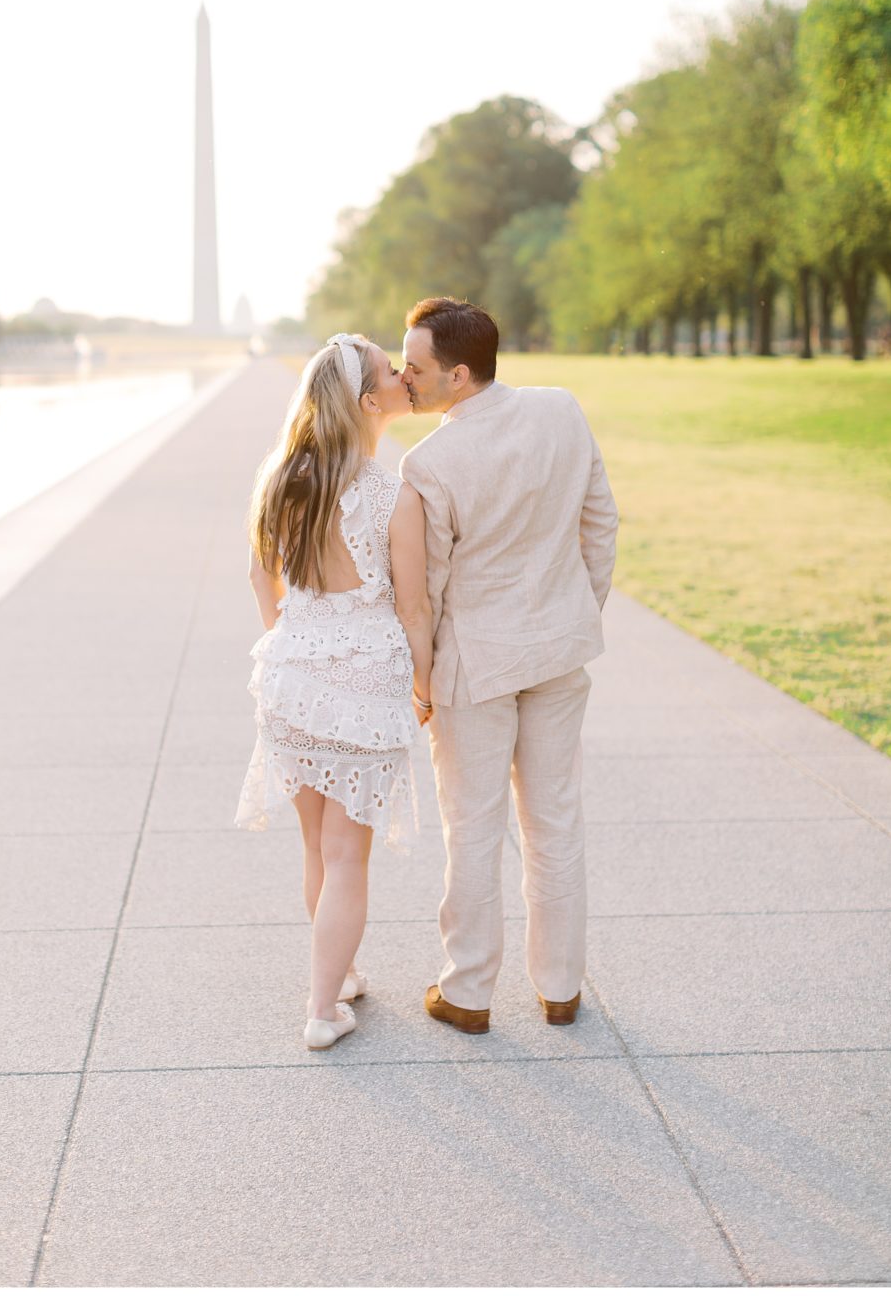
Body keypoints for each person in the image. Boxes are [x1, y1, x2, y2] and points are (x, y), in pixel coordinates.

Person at [399, 297, 618, 1034]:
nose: (406, 376)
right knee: (556, 819)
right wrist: (578, 609)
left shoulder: (429, 461)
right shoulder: (562, 410)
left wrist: (420, 681)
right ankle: (561, 988)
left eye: (417, 367)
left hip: (475, 665)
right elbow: (600, 520)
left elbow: (424, 592)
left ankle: (467, 991)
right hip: (559, 647)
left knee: (474, 828)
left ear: (459, 375)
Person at [236, 333, 433, 1050]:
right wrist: (424, 684)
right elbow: (413, 609)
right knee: (350, 855)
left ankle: (339, 972)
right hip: (362, 681)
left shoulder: (281, 477)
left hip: (291, 677)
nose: (403, 377)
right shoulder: (392, 494)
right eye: (390, 371)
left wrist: (293, 643)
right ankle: (323, 1009)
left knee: (317, 848)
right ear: (365, 400)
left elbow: (262, 578)